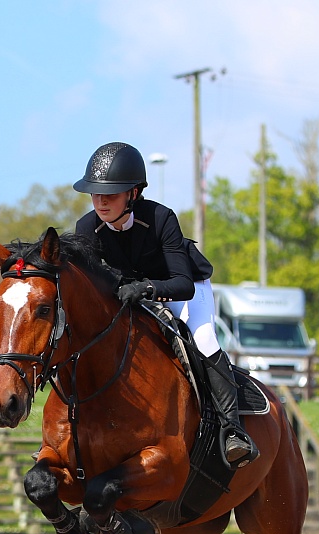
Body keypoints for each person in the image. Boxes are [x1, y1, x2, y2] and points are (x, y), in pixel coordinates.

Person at [73, 141, 257, 468]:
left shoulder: (160, 218)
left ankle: (233, 431)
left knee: (203, 340)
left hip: (181, 288)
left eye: (110, 194)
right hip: (129, 294)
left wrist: (146, 288)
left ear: (133, 194)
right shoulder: (87, 228)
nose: (100, 201)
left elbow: (183, 284)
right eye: (95, 193)